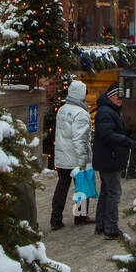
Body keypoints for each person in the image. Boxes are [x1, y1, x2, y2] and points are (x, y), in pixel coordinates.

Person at [93, 84, 136, 240]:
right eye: (117, 96)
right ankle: (111, 227)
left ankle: (101, 224)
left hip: (108, 158)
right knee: (114, 193)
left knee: (106, 192)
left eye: (121, 96)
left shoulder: (110, 110)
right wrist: (127, 141)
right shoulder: (106, 112)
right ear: (110, 96)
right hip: (109, 158)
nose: (120, 99)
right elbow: (107, 135)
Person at [50, 80, 93, 230]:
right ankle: (80, 217)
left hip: (63, 157)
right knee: (81, 188)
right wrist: (83, 159)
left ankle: (55, 218)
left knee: (62, 187)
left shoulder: (62, 110)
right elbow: (79, 138)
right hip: (76, 159)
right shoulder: (81, 113)